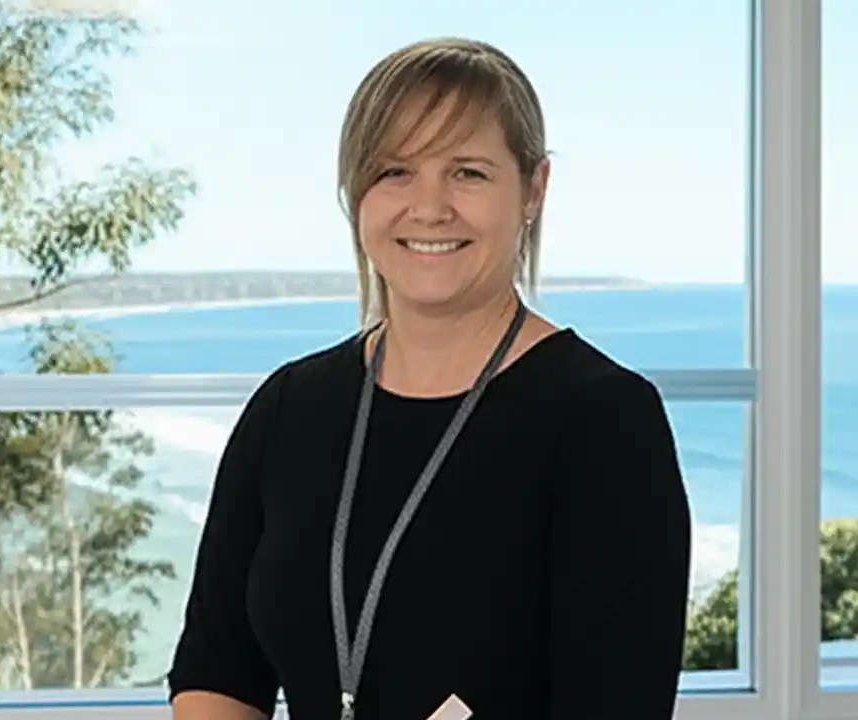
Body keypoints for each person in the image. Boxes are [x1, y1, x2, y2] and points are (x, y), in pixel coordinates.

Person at [167, 37, 692, 720]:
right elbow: (219, 670)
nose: (430, 207)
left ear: (533, 189)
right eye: (394, 172)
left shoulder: (606, 423)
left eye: (468, 172)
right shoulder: (287, 409)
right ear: (357, 194)